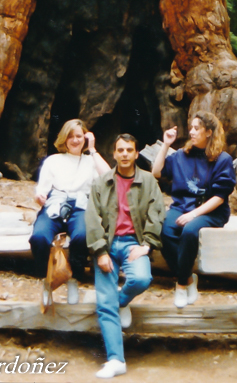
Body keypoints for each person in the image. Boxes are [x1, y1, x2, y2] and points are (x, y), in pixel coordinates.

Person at [86, 133, 165, 380]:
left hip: (133, 243)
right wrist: (99, 251)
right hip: (108, 245)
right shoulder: (101, 183)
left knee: (141, 279)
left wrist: (148, 245)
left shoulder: (149, 181)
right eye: (120, 150)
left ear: (136, 153)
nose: (124, 155)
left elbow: (157, 214)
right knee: (104, 303)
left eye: (129, 150)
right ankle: (116, 360)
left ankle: (121, 301)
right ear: (114, 153)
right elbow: (91, 218)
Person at [152, 111, 235, 308]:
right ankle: (189, 277)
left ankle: (181, 285)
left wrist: (193, 214)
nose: (191, 132)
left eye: (196, 128)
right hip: (182, 206)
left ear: (208, 132)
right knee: (165, 231)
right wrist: (166, 145)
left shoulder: (222, 159)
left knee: (189, 231)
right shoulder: (181, 155)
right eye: (191, 128)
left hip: (211, 211)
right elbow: (156, 172)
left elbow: (220, 197)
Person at [29, 118, 110, 304]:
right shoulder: (54, 160)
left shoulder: (91, 161)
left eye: (79, 136)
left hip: (81, 206)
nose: (75, 140)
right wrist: (40, 197)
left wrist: (93, 149)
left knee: (82, 236)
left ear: (86, 138)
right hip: (56, 203)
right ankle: (47, 281)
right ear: (64, 139)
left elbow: (108, 176)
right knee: (39, 237)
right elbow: (42, 189)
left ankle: (74, 278)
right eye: (71, 136)